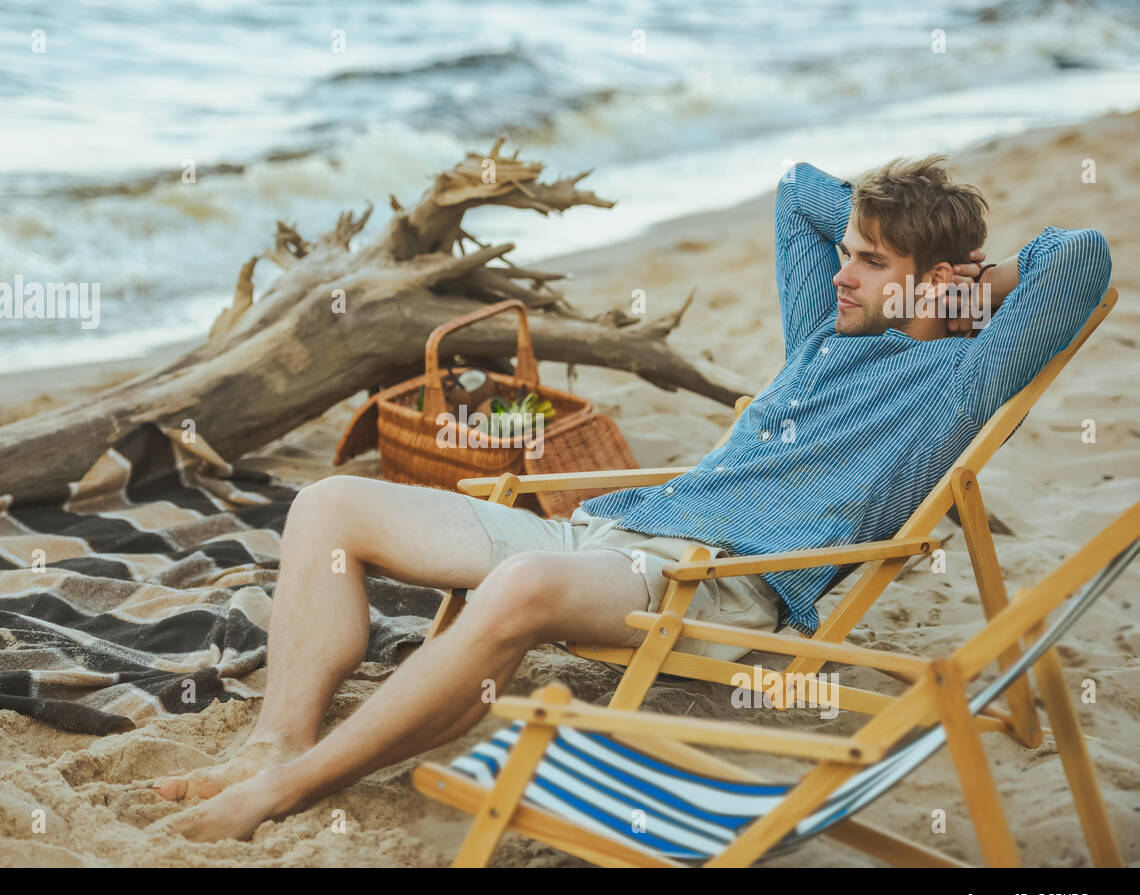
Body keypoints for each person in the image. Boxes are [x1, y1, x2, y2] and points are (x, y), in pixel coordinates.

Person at [148, 155, 1111, 841]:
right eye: (848, 251)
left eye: (867, 260)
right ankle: (276, 739)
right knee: (328, 504)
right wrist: (894, 261)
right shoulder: (830, 329)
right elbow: (796, 193)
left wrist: (950, 293)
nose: (838, 269)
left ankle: (284, 790)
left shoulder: (957, 383)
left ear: (939, 288)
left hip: (722, 582)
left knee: (521, 586)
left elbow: (1081, 259)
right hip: (612, 535)